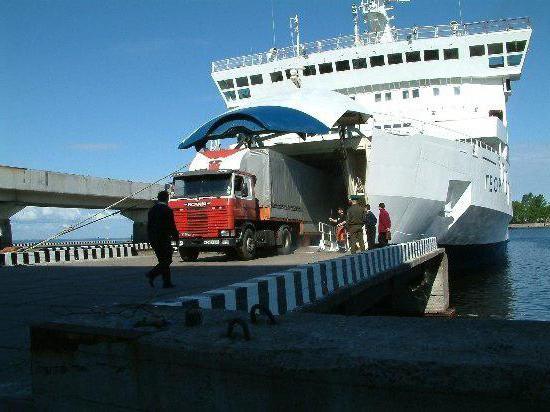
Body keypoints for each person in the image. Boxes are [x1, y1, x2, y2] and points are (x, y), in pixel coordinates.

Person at [146, 191, 179, 288]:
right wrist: (176, 238)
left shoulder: (151, 210)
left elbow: (149, 226)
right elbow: (172, 226)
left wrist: (149, 239)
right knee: (167, 260)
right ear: (167, 198)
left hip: (153, 239)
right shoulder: (167, 210)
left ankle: (167, 283)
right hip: (164, 238)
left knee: (162, 260)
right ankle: (152, 274)